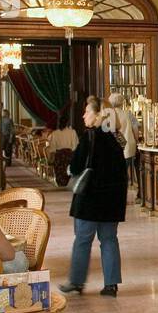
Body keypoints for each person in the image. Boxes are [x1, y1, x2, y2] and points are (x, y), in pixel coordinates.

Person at [60, 102, 129, 296]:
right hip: (112, 199)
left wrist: (70, 168)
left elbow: (74, 167)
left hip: (90, 199)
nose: (83, 115)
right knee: (109, 240)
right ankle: (111, 284)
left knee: (83, 240)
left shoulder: (89, 137)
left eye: (87, 111)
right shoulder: (118, 138)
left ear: (99, 115)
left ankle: (76, 282)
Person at [108, 92, 139, 193]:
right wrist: (137, 140)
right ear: (122, 102)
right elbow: (135, 130)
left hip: (114, 148)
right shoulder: (128, 114)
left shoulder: (109, 115)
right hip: (129, 147)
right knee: (125, 171)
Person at [48, 109, 79, 187]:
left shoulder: (55, 133)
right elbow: (75, 147)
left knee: (60, 174)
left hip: (59, 157)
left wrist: (50, 159)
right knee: (67, 173)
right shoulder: (72, 132)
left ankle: (61, 187)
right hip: (69, 157)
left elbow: (52, 148)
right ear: (67, 123)